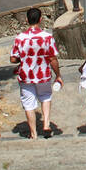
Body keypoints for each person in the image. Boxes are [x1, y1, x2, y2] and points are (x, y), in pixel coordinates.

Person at [10, 7, 61, 138]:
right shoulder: (47, 37)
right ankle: (46, 124)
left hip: (26, 76)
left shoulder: (20, 38)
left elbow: (13, 58)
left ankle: (33, 133)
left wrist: (24, 58)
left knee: (28, 103)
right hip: (43, 74)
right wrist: (58, 75)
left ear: (27, 20)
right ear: (41, 19)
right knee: (45, 97)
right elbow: (52, 58)